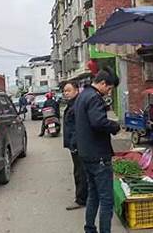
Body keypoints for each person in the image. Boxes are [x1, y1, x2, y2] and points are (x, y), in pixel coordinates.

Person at [74, 68, 121, 233]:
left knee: (93, 195)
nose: (108, 92)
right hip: (98, 156)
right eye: (109, 89)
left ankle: (89, 229)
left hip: (86, 154)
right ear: (102, 83)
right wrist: (115, 126)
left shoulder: (82, 95)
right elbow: (98, 122)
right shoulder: (94, 98)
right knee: (107, 200)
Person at [62, 81, 87, 211]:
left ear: (77, 91)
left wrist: (75, 143)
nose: (66, 93)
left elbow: (78, 127)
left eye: (69, 90)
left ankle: (81, 199)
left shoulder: (77, 105)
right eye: (65, 91)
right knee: (80, 171)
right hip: (74, 144)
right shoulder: (72, 104)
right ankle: (84, 197)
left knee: (80, 172)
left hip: (77, 145)